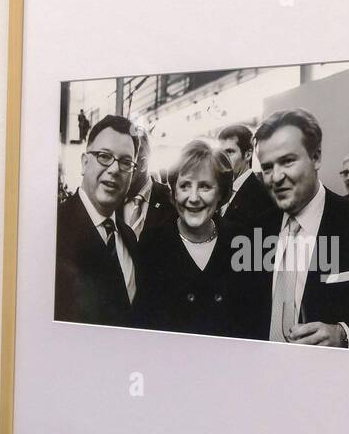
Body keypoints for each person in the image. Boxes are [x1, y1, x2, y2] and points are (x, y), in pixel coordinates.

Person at [254, 108, 349, 348]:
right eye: (267, 167)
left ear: (316, 157)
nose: (275, 177)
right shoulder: (255, 228)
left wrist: (343, 335)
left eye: (287, 161)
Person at [133, 141, 263, 339]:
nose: (193, 198)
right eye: (185, 186)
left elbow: (255, 325)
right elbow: (142, 326)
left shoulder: (243, 242)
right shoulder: (151, 244)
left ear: (221, 193)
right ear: (174, 192)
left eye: (204, 186)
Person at [54, 114, 139, 326]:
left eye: (126, 162)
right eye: (104, 156)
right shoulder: (54, 230)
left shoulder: (128, 236)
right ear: (84, 163)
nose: (114, 169)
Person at [216, 123, 281, 239]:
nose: (222, 159)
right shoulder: (220, 190)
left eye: (229, 152)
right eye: (220, 153)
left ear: (247, 155)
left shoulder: (262, 197)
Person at [121, 127, 175, 246]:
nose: (117, 170)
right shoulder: (112, 201)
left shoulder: (170, 200)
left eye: (125, 163)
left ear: (143, 164)